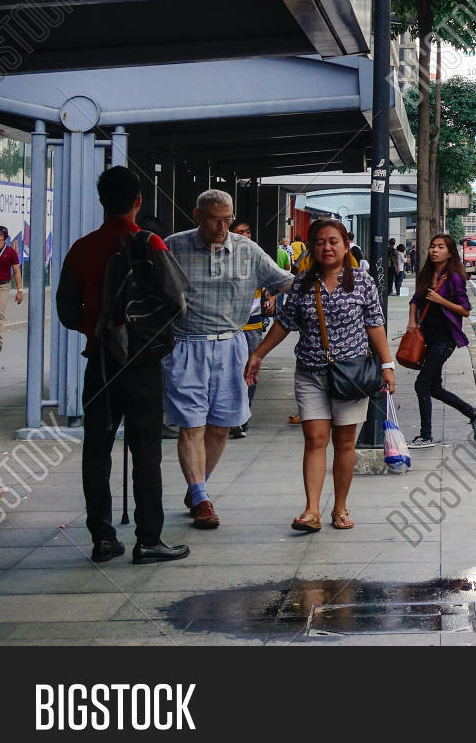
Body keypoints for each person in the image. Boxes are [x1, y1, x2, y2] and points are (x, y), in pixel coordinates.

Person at [55, 166, 190, 564]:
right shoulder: (150, 243)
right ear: (138, 201)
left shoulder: (82, 248)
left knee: (97, 448)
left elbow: (66, 310)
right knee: (146, 449)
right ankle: (149, 538)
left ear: (101, 201)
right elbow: (177, 303)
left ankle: (102, 537)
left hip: (99, 361)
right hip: (144, 362)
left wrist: (96, 329)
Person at [246, 217, 395, 531]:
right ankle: (311, 510)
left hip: (352, 375)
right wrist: (258, 354)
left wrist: (387, 365)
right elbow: (284, 323)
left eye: (333, 241)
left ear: (344, 245)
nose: (327, 247)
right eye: (320, 242)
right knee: (315, 439)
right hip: (311, 372)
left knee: (344, 443)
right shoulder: (302, 282)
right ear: (312, 248)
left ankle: (339, 507)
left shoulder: (363, 281)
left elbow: (375, 326)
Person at [163, 191, 293, 530]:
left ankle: (198, 488)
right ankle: (202, 498)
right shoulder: (173, 247)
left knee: (221, 426)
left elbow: (284, 281)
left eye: (227, 219)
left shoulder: (248, 251)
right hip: (186, 345)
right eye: (214, 219)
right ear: (197, 215)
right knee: (192, 424)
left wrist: (330, 280)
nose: (222, 226)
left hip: (231, 346)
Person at [406, 233, 476, 449]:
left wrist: (440, 300)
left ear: (449, 252)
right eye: (432, 246)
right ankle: (472, 413)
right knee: (434, 388)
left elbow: (465, 310)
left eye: (440, 247)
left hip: (445, 339)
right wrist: (412, 321)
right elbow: (415, 300)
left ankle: (425, 436)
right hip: (427, 338)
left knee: (422, 384)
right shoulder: (427, 274)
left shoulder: (454, 277)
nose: (434, 250)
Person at [229, 219, 276, 437]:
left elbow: (272, 279)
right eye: (240, 232)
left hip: (253, 325)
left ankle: (243, 416)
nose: (246, 236)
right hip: (230, 327)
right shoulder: (223, 258)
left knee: (251, 370)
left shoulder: (256, 257)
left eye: (248, 231)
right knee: (230, 372)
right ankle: (232, 416)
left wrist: (270, 295)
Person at [0, 225, 23, 352]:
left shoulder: (11, 252)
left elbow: (16, 272)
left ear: (1, 237)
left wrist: (20, 290)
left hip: (2, 286)